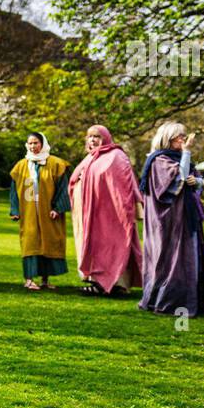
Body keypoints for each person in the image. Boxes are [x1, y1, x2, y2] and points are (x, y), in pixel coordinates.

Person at [138, 122, 204, 316]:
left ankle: (192, 300)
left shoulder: (181, 158)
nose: (183, 139)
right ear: (168, 138)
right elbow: (176, 180)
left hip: (187, 217)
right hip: (170, 221)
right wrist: (187, 156)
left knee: (190, 258)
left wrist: (196, 181)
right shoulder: (159, 160)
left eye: (184, 136)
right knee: (172, 259)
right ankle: (169, 301)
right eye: (179, 136)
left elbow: (195, 180)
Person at [70, 124, 142, 296]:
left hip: (114, 215)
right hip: (91, 214)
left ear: (106, 138)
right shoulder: (89, 159)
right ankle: (95, 282)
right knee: (94, 246)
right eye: (89, 136)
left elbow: (125, 184)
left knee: (114, 246)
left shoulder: (116, 156)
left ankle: (119, 284)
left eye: (97, 136)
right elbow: (74, 181)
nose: (92, 140)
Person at [8, 132, 70, 290]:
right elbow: (14, 191)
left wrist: (58, 208)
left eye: (36, 143)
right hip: (28, 213)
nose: (33, 146)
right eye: (30, 143)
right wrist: (15, 210)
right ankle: (28, 279)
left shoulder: (56, 164)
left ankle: (45, 280)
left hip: (48, 213)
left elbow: (63, 188)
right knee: (30, 244)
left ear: (43, 144)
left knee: (48, 243)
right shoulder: (21, 166)